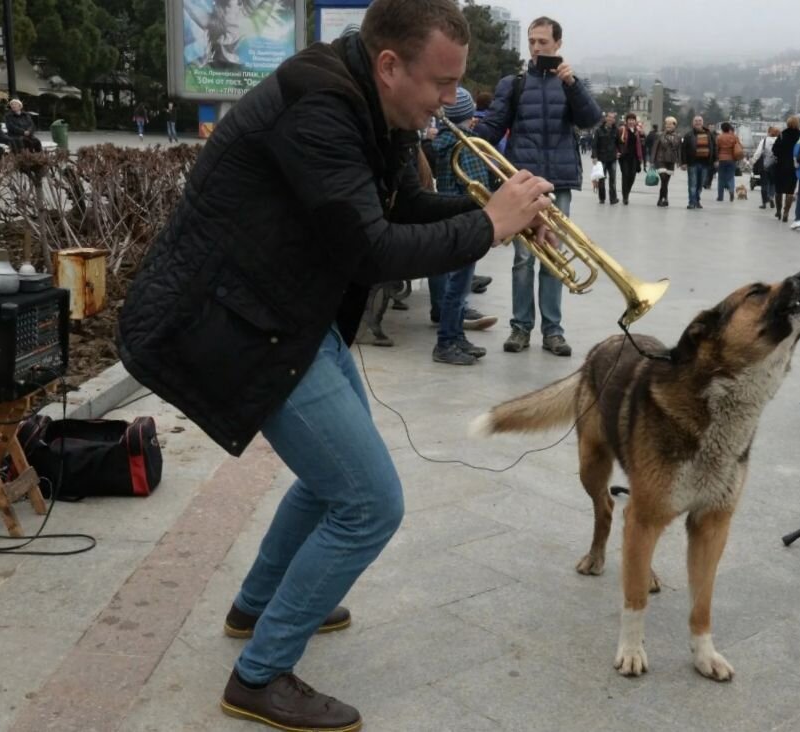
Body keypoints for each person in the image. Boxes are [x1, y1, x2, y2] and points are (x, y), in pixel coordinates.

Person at [117, 2, 556, 728]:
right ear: (389, 66)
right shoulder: (317, 108)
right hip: (238, 318)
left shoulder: (369, 102)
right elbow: (372, 250)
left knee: (337, 483)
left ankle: (257, 604)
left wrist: (484, 211)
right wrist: (487, 224)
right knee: (369, 503)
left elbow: (400, 204)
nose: (452, 101)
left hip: (287, 311)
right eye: (441, 83)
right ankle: (259, 675)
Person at [475, 15, 602, 358]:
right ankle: (519, 327)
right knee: (522, 259)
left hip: (558, 182)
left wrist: (572, 83)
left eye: (543, 42)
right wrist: (465, 135)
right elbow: (494, 125)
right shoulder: (513, 84)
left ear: (558, 44)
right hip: (523, 181)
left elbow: (591, 119)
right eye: (531, 42)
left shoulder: (570, 83)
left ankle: (553, 331)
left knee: (553, 258)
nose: (535, 48)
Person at [428, 87, 498, 365]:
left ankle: (456, 336)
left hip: (453, 220)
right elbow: (478, 187)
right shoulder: (466, 146)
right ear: (468, 117)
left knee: (456, 286)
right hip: (468, 223)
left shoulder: (444, 142)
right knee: (458, 288)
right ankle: (447, 341)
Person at [680, 114, 717, 209]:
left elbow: (714, 147)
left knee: (700, 184)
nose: (698, 122)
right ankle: (691, 202)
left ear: (702, 122)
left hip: (705, 163)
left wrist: (716, 159)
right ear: (693, 123)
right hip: (692, 163)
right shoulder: (689, 135)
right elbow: (683, 149)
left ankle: (697, 200)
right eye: (696, 121)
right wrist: (683, 162)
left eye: (699, 121)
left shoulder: (709, 134)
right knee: (692, 183)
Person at [771, 116, 800, 222]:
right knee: (790, 190)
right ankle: (786, 212)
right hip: (793, 166)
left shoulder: (782, 135)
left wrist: (780, 154)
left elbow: (774, 149)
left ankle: (778, 210)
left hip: (780, 165)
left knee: (778, 189)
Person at [651, 116, 680, 207]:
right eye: (667, 123)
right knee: (663, 178)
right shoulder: (659, 135)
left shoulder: (677, 136)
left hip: (670, 161)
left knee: (665, 182)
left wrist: (680, 161)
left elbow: (678, 148)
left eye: (671, 124)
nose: (668, 125)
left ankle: (662, 198)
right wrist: (652, 161)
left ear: (675, 125)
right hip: (660, 159)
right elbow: (654, 148)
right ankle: (664, 198)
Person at [591, 111, 619, 204]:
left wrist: (619, 152)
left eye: (613, 118)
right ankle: (602, 198)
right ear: (606, 118)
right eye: (609, 117)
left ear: (614, 120)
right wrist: (594, 156)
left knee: (613, 179)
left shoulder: (616, 130)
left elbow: (619, 144)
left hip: (612, 158)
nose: (611, 119)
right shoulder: (599, 130)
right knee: (601, 179)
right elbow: (594, 144)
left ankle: (613, 198)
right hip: (601, 158)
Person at [617, 112, 645, 204]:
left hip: (634, 157)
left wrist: (640, 158)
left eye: (633, 120)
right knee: (625, 176)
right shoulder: (622, 129)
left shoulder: (637, 131)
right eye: (629, 120)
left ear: (635, 121)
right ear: (626, 121)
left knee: (632, 176)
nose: (631, 121)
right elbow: (616, 141)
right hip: (624, 156)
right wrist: (617, 152)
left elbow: (641, 145)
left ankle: (627, 192)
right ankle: (625, 197)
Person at [750, 125, 779, 209]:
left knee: (764, 184)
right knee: (773, 183)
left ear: (769, 132)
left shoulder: (764, 140)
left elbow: (758, 153)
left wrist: (753, 161)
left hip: (765, 165)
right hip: (775, 166)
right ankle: (771, 197)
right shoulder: (779, 141)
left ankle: (764, 203)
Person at [714, 122, 740, 202]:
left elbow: (716, 149)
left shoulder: (719, 137)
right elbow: (739, 147)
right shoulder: (734, 137)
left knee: (721, 178)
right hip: (732, 159)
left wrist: (716, 159)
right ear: (729, 128)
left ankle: (720, 196)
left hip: (722, 159)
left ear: (722, 129)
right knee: (731, 177)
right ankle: (731, 190)